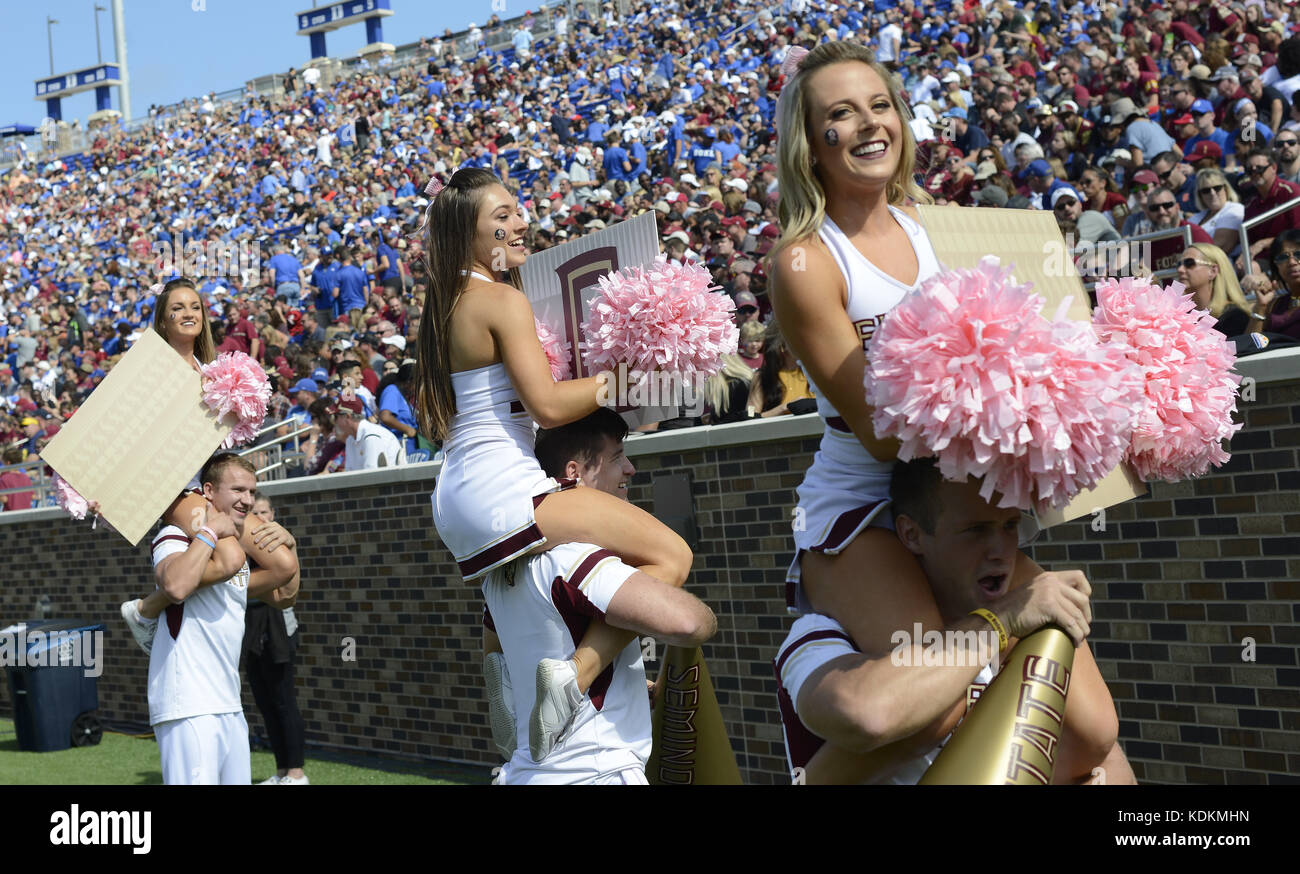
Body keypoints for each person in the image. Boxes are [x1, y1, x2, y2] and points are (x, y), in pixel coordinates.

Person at [764, 40, 1047, 760]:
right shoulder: (804, 261)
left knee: (1088, 725)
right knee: (936, 701)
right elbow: (884, 435)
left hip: (959, 500)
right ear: (810, 143)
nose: (867, 124)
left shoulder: (946, 229)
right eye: (841, 114)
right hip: (867, 504)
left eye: (880, 105)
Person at [413, 168, 693, 761]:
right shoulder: (499, 298)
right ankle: (575, 675)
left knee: (524, 581)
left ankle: (502, 674)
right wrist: (622, 377)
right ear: (468, 235)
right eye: (503, 217)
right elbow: (545, 404)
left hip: (457, 497)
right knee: (672, 555)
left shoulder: (442, 308)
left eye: (517, 211)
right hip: (501, 486)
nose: (521, 224)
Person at [775, 457, 1134, 785]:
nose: (1000, 550)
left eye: (1010, 525)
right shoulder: (822, 636)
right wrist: (1001, 620)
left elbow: (1108, 760)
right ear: (912, 534)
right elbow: (866, 714)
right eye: (976, 530)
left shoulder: (1023, 628)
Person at [486, 409, 716, 782]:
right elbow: (687, 623)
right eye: (617, 457)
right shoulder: (577, 557)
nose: (630, 469)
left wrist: (622, 680)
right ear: (575, 473)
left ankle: (579, 674)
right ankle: (576, 675)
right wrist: (705, 614)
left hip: (524, 772)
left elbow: (506, 657)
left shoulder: (501, 569)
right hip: (593, 771)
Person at [148, 453, 299, 784]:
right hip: (187, 702)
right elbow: (174, 585)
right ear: (209, 492)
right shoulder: (173, 535)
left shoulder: (232, 552)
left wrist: (291, 547)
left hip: (228, 701)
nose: (247, 500)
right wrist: (209, 532)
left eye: (251, 492)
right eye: (238, 490)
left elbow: (284, 596)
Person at [242, 490, 308, 785]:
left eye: (265, 512)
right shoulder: (242, 547)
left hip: (279, 630)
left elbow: (285, 593)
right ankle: (282, 771)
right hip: (250, 632)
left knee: (283, 701)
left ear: (274, 516)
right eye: (255, 513)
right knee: (265, 703)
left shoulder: (281, 547)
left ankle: (296, 772)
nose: (261, 518)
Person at [1174, 243, 1252, 337]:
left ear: (1213, 271)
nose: (1180, 269)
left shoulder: (1234, 317)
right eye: (1179, 264)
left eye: (1189, 263)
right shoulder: (1181, 316)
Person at [747, 321, 815, 418]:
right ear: (782, 345)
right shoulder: (762, 376)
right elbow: (749, 414)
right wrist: (784, 408)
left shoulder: (814, 372)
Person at [332, 396, 405, 469]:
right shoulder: (350, 439)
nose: (334, 422)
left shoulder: (371, 437)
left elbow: (371, 476)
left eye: (335, 417)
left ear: (348, 417)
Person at [1189, 167, 1246, 255]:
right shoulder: (1195, 218)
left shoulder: (1234, 209)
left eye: (1217, 188)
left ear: (1225, 189)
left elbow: (1221, 247)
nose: (1212, 193)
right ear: (1200, 196)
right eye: (1206, 190)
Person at [0, 446, 34, 510]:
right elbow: (32, 496)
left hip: (11, 514)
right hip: (27, 512)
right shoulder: (25, 477)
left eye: (3, 463)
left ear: (8, 463)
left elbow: (4, 499)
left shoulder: (4, 478)